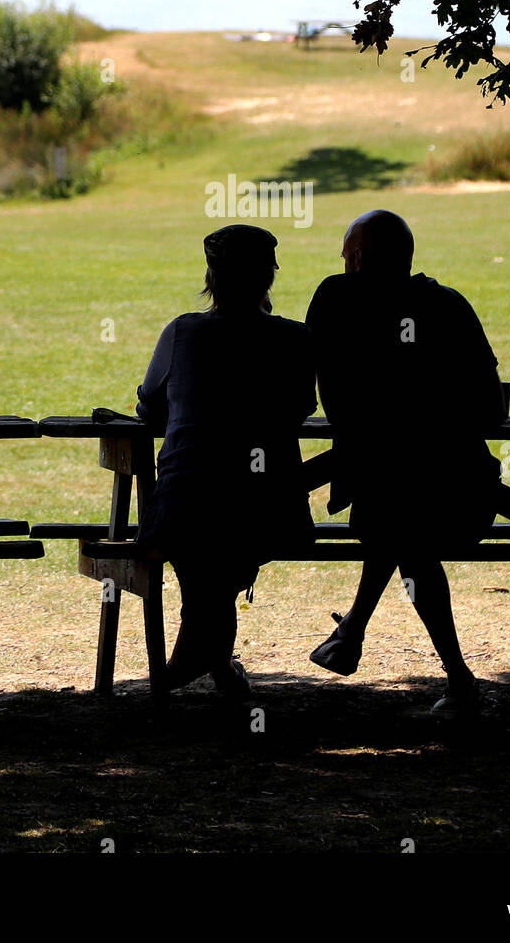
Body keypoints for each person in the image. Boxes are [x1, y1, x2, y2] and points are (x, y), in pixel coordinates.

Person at [305, 209, 506, 714]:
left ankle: (356, 629)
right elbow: (489, 404)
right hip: (461, 493)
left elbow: (304, 385)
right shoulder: (448, 306)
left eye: (348, 256)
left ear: (360, 258)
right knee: (404, 525)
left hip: (400, 499)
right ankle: (453, 676)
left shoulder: (338, 302)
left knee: (397, 517)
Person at [135, 224, 316, 697]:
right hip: (269, 509)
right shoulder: (295, 339)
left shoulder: (183, 331)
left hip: (183, 507)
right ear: (268, 279)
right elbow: (300, 407)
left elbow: (150, 406)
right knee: (230, 532)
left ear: (211, 276)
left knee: (203, 526)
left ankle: (201, 654)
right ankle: (211, 654)